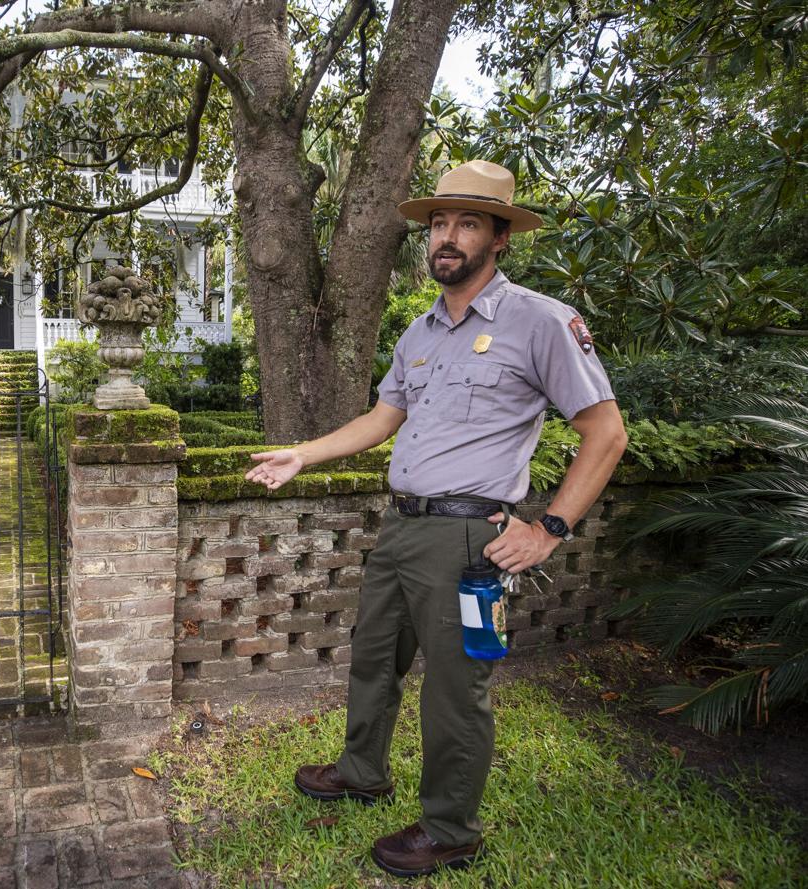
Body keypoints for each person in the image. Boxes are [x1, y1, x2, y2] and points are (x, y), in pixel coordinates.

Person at [244, 160, 628, 878]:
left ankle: (449, 827)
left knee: (454, 690)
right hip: (401, 527)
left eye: (467, 223)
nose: (447, 237)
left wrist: (548, 527)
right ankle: (362, 770)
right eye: (439, 223)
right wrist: (302, 453)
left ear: (500, 237)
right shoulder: (418, 332)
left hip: (465, 538)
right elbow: (382, 417)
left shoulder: (540, 321)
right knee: (373, 657)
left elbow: (604, 432)